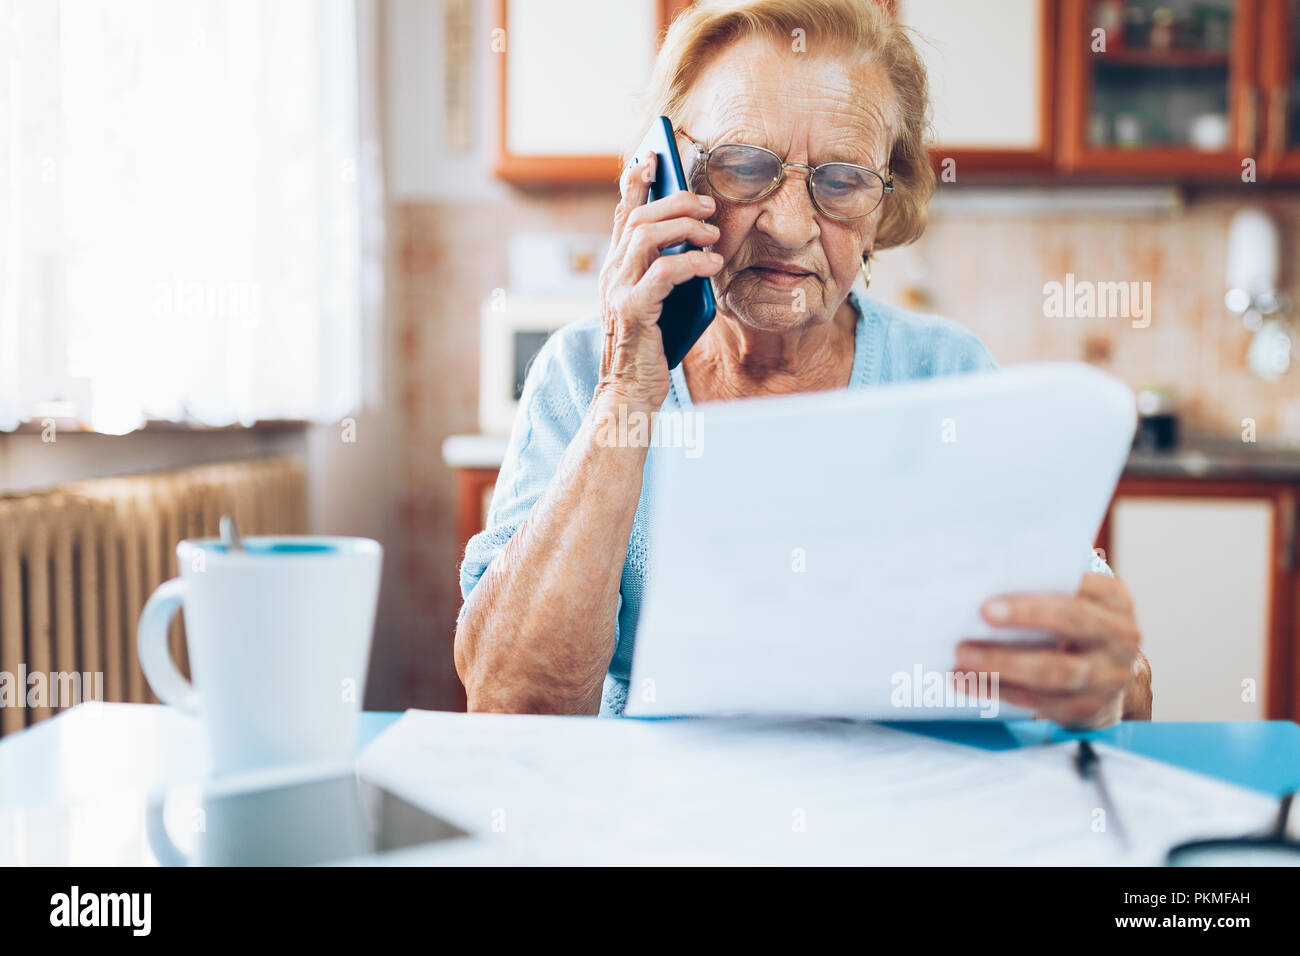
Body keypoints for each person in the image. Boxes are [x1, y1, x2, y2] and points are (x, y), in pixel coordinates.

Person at [455, 0, 1152, 726]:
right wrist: (624, 396)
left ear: (885, 201)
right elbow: (510, 705)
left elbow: (1118, 683)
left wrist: (1104, 679)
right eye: (742, 168)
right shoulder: (584, 374)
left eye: (842, 181)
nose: (788, 228)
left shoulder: (948, 375)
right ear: (664, 175)